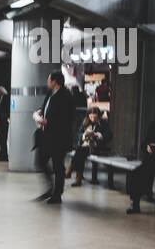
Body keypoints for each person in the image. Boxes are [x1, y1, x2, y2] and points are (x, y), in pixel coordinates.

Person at [36, 69, 75, 204]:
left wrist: (48, 122)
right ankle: (51, 187)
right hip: (47, 136)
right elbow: (46, 106)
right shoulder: (50, 93)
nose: (47, 82)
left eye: (49, 80)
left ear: (55, 82)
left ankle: (57, 194)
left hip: (59, 138)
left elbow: (67, 118)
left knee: (58, 166)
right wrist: (41, 111)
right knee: (41, 160)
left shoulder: (66, 96)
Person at [68, 107, 111, 187]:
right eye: (91, 117)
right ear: (88, 116)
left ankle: (73, 172)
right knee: (81, 152)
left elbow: (109, 135)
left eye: (95, 117)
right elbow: (78, 135)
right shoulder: (85, 122)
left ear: (99, 116)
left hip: (97, 147)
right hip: (86, 146)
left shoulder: (103, 123)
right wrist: (84, 135)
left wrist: (98, 135)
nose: (93, 119)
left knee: (80, 151)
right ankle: (77, 177)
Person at [126, 118, 155, 214]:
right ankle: (135, 204)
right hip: (152, 159)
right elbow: (144, 143)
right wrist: (147, 147)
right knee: (135, 174)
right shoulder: (153, 124)